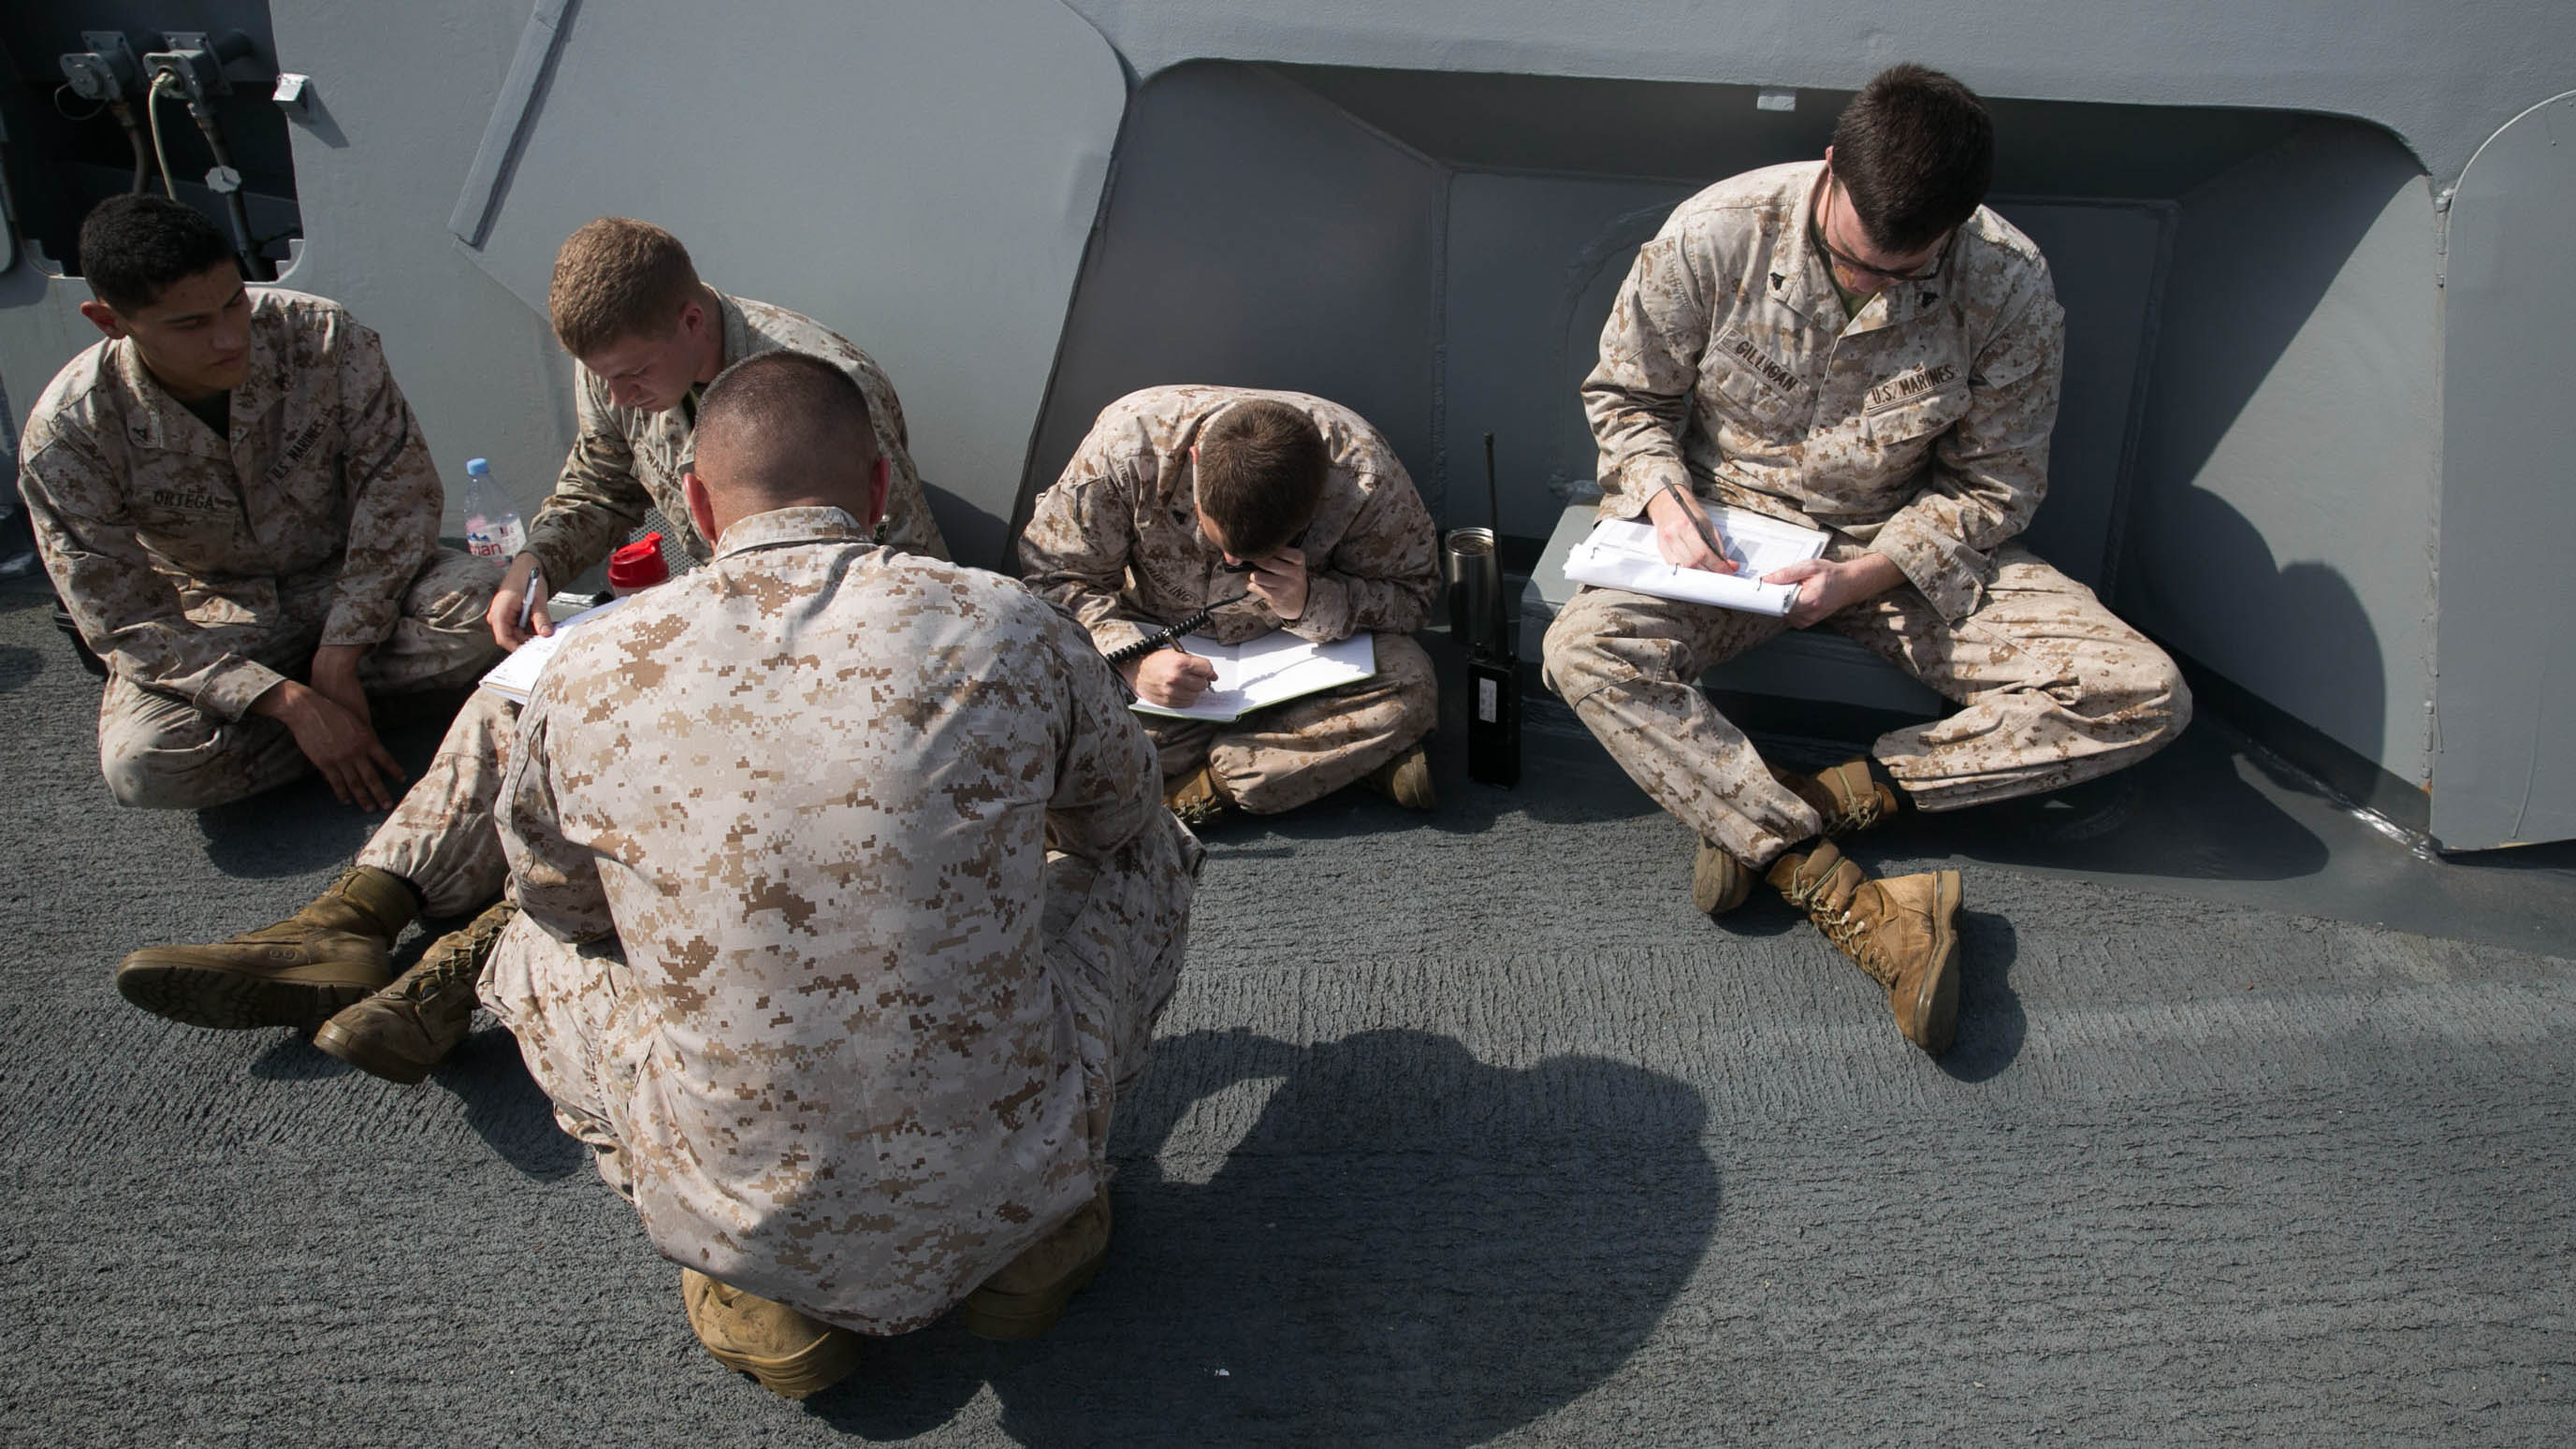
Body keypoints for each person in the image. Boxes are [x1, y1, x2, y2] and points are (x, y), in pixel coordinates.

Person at [485, 350, 1199, 1396]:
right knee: (1154, 849)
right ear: (876, 490)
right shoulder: (1007, 621)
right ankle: (1034, 1237)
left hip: (745, 1215)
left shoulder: (587, 667)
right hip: (1007, 1183)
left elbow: (561, 899)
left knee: (525, 940)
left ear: (694, 500)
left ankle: (762, 1288)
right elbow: (1117, 821)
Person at [110, 218, 953, 1072]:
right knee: (521, 694)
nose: (619, 394)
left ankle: (461, 964)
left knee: (660, 771)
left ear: (692, 321)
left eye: (630, 374)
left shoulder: (817, 386)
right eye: (602, 377)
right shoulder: (619, 365)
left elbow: (901, 582)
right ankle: (350, 918)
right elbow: (603, 475)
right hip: (713, 616)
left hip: (818, 662)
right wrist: (534, 563)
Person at [1541, 64, 2190, 1055]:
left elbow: (1996, 486)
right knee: (1580, 649)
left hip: (1894, 548)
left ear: (1958, 224)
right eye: (1851, 259)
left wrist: (1862, 574)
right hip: (1726, 540)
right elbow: (1627, 399)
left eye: (1900, 273)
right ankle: (1842, 890)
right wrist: (1668, 507)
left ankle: (1824, 800)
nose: (1866, 285)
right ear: (1832, 168)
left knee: (2142, 693)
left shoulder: (2007, 283)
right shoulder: (1718, 230)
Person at [17, 194, 502, 815]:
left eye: (232, 303)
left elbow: (398, 491)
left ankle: (334, 712)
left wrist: (341, 651)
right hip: (220, 617)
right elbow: (123, 617)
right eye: (189, 324)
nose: (227, 337)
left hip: (352, 581)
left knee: (490, 610)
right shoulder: (70, 432)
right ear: (109, 322)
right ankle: (338, 723)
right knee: (144, 765)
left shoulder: (322, 338)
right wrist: (284, 701)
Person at [1019, 385, 1440, 826]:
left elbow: (1413, 596)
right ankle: (1337, 761)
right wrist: (1132, 660)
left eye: (1258, 555)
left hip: (1302, 651)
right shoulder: (1127, 449)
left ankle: (1204, 790)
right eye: (1221, 546)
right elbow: (1056, 577)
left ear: (1320, 501)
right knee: (1052, 734)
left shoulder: (1365, 476)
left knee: (1412, 686)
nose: (1234, 565)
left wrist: (1314, 602)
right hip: (1156, 640)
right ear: (1197, 462)